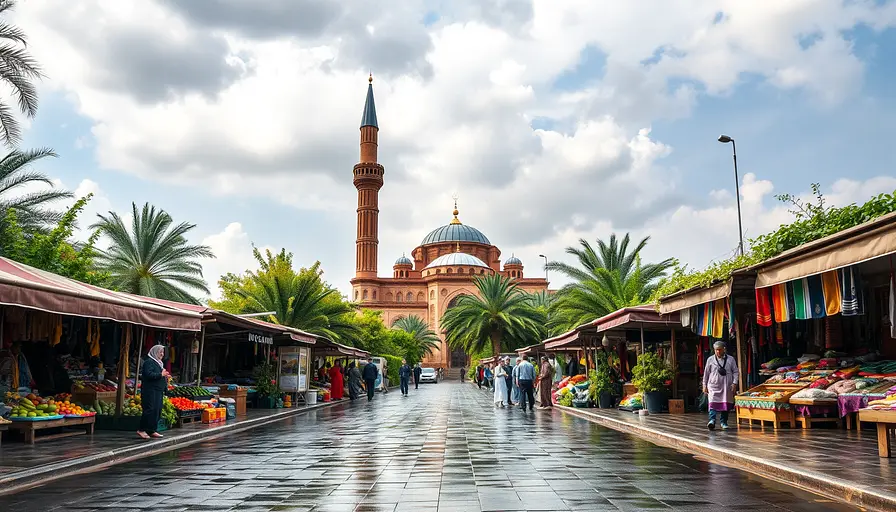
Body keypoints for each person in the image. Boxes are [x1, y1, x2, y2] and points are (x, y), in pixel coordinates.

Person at [703, 340, 739, 430]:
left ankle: (724, 422)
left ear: (724, 349)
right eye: (716, 350)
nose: (718, 352)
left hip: (726, 386)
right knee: (712, 403)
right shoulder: (710, 359)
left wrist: (735, 383)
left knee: (725, 404)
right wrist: (704, 385)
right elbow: (706, 373)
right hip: (713, 386)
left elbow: (735, 372)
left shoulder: (731, 359)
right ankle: (712, 420)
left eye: (719, 349)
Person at [137, 345, 170, 439]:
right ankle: (142, 429)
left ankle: (152, 430)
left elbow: (159, 376)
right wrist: (161, 374)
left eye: (163, 352)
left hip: (158, 390)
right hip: (150, 390)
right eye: (160, 352)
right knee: (149, 409)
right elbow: (148, 375)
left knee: (157, 410)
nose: (162, 354)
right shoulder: (149, 362)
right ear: (155, 352)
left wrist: (164, 377)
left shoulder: (159, 363)